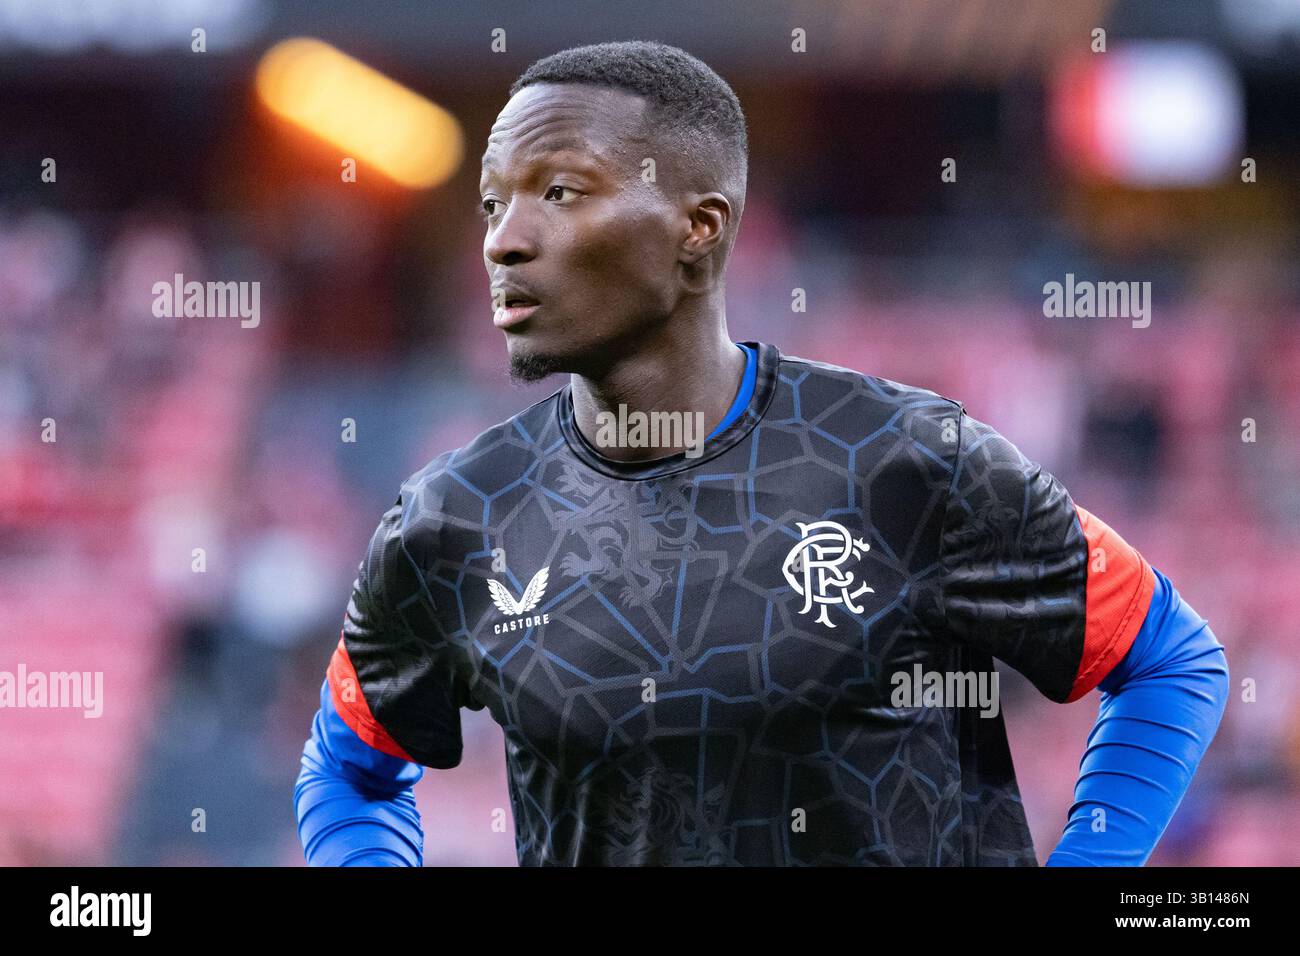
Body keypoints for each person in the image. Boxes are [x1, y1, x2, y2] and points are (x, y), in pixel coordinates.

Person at [294, 40, 1228, 866]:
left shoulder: (905, 460)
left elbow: (1168, 660)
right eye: (493, 202)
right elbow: (348, 772)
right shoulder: (453, 521)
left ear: (700, 228)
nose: (503, 240)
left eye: (560, 192)